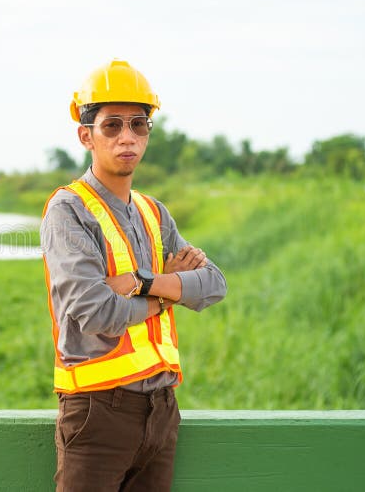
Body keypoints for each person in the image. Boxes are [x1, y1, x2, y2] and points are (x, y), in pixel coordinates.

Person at [40, 59, 227, 492]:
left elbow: (214, 285)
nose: (127, 137)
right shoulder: (68, 210)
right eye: (112, 125)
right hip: (97, 412)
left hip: (162, 411)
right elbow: (95, 310)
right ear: (86, 135)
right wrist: (169, 291)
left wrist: (141, 283)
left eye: (139, 125)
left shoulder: (152, 211)